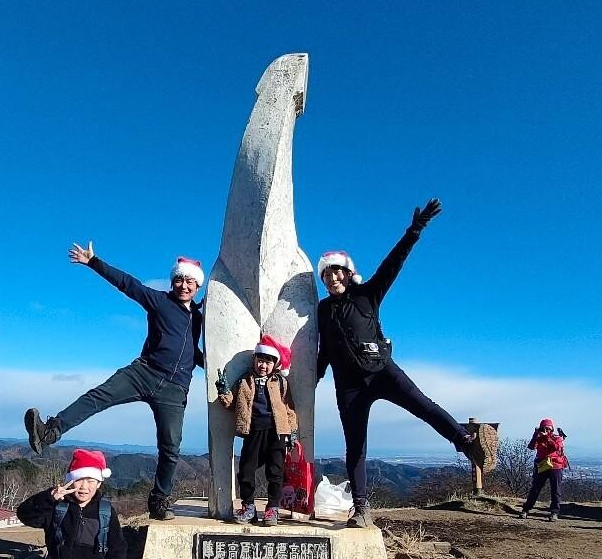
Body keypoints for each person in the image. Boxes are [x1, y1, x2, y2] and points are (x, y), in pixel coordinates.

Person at [316, 198, 483, 528]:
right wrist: (312, 379)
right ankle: (361, 509)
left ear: (348, 274)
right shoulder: (322, 310)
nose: (332, 277)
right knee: (355, 447)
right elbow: (324, 351)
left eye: (337, 271)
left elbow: (393, 264)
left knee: (424, 405)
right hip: (348, 385)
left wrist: (415, 230)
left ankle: (466, 443)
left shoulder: (367, 295)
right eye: (326, 274)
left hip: (382, 371)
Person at [24, 242, 205, 520]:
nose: (184, 285)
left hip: (175, 388)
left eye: (190, 281)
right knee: (98, 397)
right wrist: (94, 262)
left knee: (171, 447)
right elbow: (128, 284)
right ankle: (49, 432)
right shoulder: (160, 301)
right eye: (180, 279)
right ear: (173, 281)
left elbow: (194, 351)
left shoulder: (200, 318)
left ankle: (159, 501)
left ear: (198, 286)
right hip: (144, 372)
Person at [216, 335, 298, 526]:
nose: (263, 365)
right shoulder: (244, 381)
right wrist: (223, 391)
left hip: (277, 432)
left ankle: (272, 509)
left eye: (268, 362)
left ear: (275, 364)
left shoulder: (281, 383)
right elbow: (231, 403)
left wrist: (292, 432)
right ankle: (249, 507)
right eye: (260, 360)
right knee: (246, 469)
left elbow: (289, 409)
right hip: (252, 431)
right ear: (254, 360)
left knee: (275, 471)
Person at [520, 419, 568, 521]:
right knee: (535, 488)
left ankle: (554, 512)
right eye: (544, 428)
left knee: (556, 490)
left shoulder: (557, 438)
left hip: (555, 465)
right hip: (542, 465)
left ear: (552, 429)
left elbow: (555, 447)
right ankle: (526, 509)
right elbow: (531, 447)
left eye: (548, 428)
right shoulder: (539, 438)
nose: (546, 430)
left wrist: (546, 437)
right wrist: (535, 435)